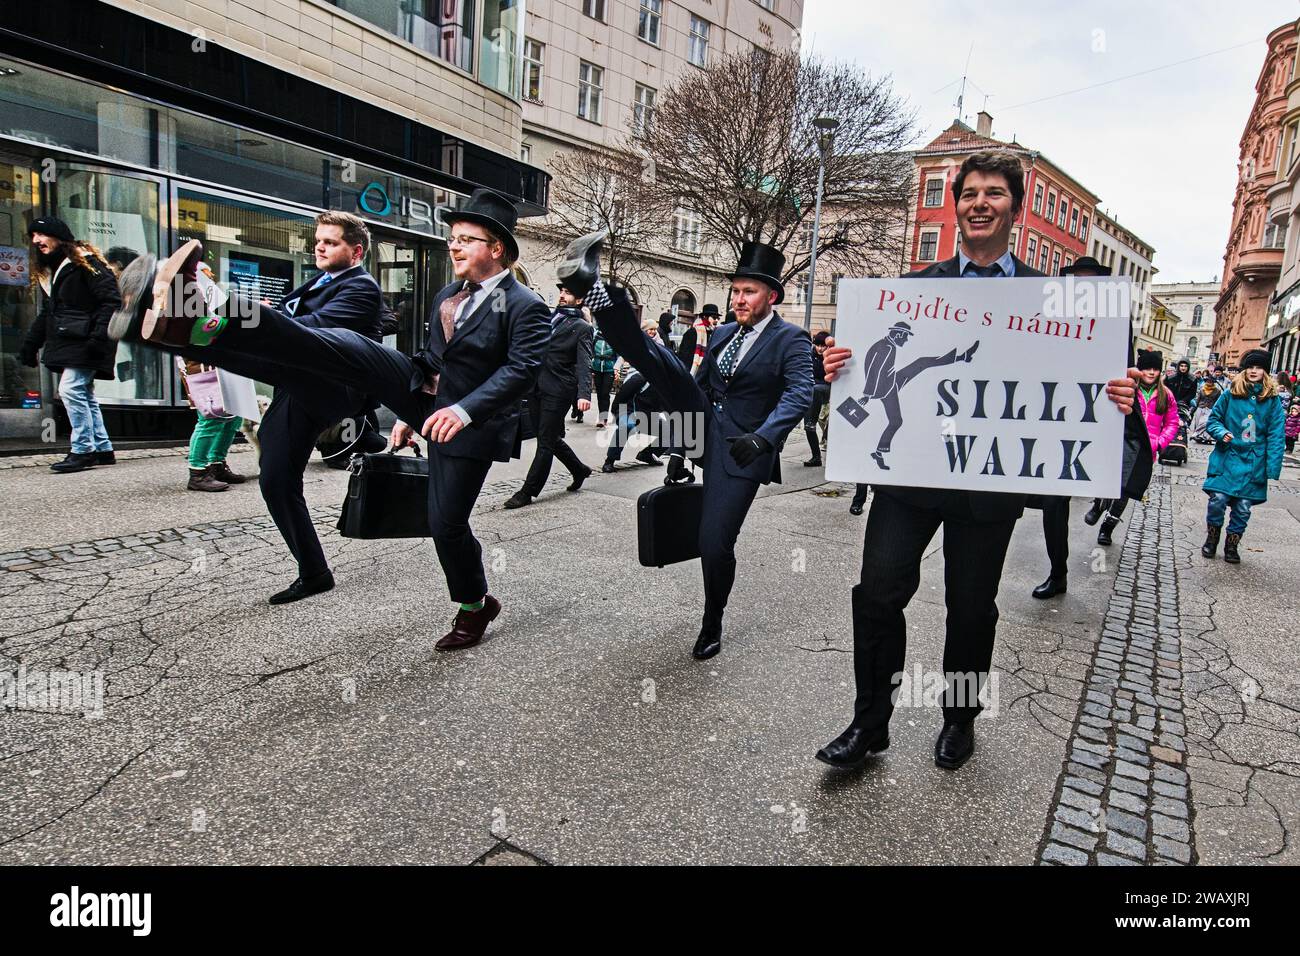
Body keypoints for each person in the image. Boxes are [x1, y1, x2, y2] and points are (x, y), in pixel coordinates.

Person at [109, 187, 550, 650]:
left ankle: (475, 604)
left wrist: (461, 411)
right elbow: (434, 359)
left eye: (466, 238)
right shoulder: (448, 294)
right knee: (346, 345)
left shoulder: (525, 305)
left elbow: (521, 372)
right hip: (425, 398)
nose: (453, 246)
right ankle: (188, 320)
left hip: (471, 424)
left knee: (447, 526)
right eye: (452, 237)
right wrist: (408, 412)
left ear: (496, 248)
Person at [813, 151, 1138, 771]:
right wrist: (837, 369)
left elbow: (1078, 384)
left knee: (971, 608)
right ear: (956, 204)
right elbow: (869, 371)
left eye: (994, 193)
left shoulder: (1054, 301)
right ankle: (869, 723)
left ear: (1014, 207)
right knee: (877, 594)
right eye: (969, 194)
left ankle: (959, 719)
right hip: (908, 479)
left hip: (989, 484)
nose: (980, 203)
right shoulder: (910, 291)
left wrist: (1115, 396)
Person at [566, 233, 813, 661]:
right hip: (704, 430)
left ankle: (712, 618)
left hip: (744, 449)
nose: (739, 299)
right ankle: (598, 293)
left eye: (748, 291)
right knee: (659, 363)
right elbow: (694, 388)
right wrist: (680, 445)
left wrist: (765, 437)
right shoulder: (721, 336)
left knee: (714, 542)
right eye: (735, 290)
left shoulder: (790, 339)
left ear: (771, 295)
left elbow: (799, 394)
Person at [252, 211, 386, 605]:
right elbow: (292, 315)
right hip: (297, 383)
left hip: (320, 389)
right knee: (274, 474)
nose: (320, 247)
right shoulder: (323, 280)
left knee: (276, 476)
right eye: (318, 241)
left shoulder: (360, 287)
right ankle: (313, 570)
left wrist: (265, 318)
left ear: (356, 250)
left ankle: (314, 572)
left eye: (330, 242)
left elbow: (310, 328)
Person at [1029, 255, 1113, 600]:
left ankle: (1058, 572)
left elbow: (1119, 373)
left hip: (1081, 424)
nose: (1083, 286)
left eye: (1090, 280)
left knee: (1054, 504)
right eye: (1077, 279)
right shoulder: (1053, 317)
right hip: (1045, 417)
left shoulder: (1112, 323)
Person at [19, 217, 121, 473]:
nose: (36, 241)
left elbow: (111, 301)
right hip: (75, 341)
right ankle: (103, 448)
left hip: (88, 341)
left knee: (70, 390)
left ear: (59, 236)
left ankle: (83, 450)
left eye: (41, 234)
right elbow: (48, 314)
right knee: (83, 393)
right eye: (33, 236)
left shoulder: (87, 264)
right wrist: (30, 345)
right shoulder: (56, 271)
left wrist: (98, 338)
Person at [504, 281, 595, 508]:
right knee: (549, 437)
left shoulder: (582, 328)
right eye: (561, 292)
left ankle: (527, 492)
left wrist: (584, 394)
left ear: (580, 300)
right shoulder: (548, 319)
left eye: (568, 292)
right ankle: (579, 469)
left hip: (559, 390)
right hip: (535, 386)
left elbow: (585, 363)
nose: (562, 296)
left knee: (545, 442)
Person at [1086, 349, 1179, 547]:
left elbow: (1172, 423)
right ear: (1139, 369)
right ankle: (1098, 505)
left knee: (1126, 491)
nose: (1151, 373)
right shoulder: (1129, 389)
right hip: (1122, 444)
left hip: (1145, 450)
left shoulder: (1166, 395)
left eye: (1155, 369)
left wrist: (1159, 442)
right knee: (1108, 479)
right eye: (1147, 368)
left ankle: (1107, 527)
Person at [1200, 350, 1285, 564]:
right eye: (1250, 367)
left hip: (1254, 462)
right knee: (1217, 500)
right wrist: (1222, 433)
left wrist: (1272, 467)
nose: (1254, 371)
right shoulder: (1230, 394)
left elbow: (1276, 434)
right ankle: (1212, 537)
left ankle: (1232, 545)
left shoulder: (1272, 400)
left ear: (1265, 372)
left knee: (1243, 507)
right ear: (1244, 370)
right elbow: (1213, 421)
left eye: (1258, 367)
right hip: (1227, 457)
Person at [803, 330, 831, 467]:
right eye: (817, 345)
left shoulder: (830, 356)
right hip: (811, 393)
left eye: (822, 346)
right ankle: (816, 457)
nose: (820, 348)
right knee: (808, 426)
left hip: (826, 390)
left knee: (816, 389)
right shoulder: (810, 355)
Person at [591, 321, 618, 429]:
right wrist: (591, 364)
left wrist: (616, 368)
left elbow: (620, 354)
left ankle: (603, 419)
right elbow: (590, 350)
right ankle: (601, 415)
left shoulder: (615, 336)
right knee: (599, 393)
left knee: (605, 393)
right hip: (597, 367)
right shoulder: (595, 336)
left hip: (609, 368)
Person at [1190, 376, 1224, 444]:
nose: (1209, 383)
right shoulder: (1202, 389)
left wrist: (1217, 411)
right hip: (1200, 408)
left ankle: (1201, 435)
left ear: (1213, 382)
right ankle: (1199, 437)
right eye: (1208, 381)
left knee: (1205, 422)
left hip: (1210, 409)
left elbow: (1218, 402)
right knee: (1198, 422)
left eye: (1210, 381)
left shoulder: (1217, 391)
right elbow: (1197, 400)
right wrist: (1192, 410)